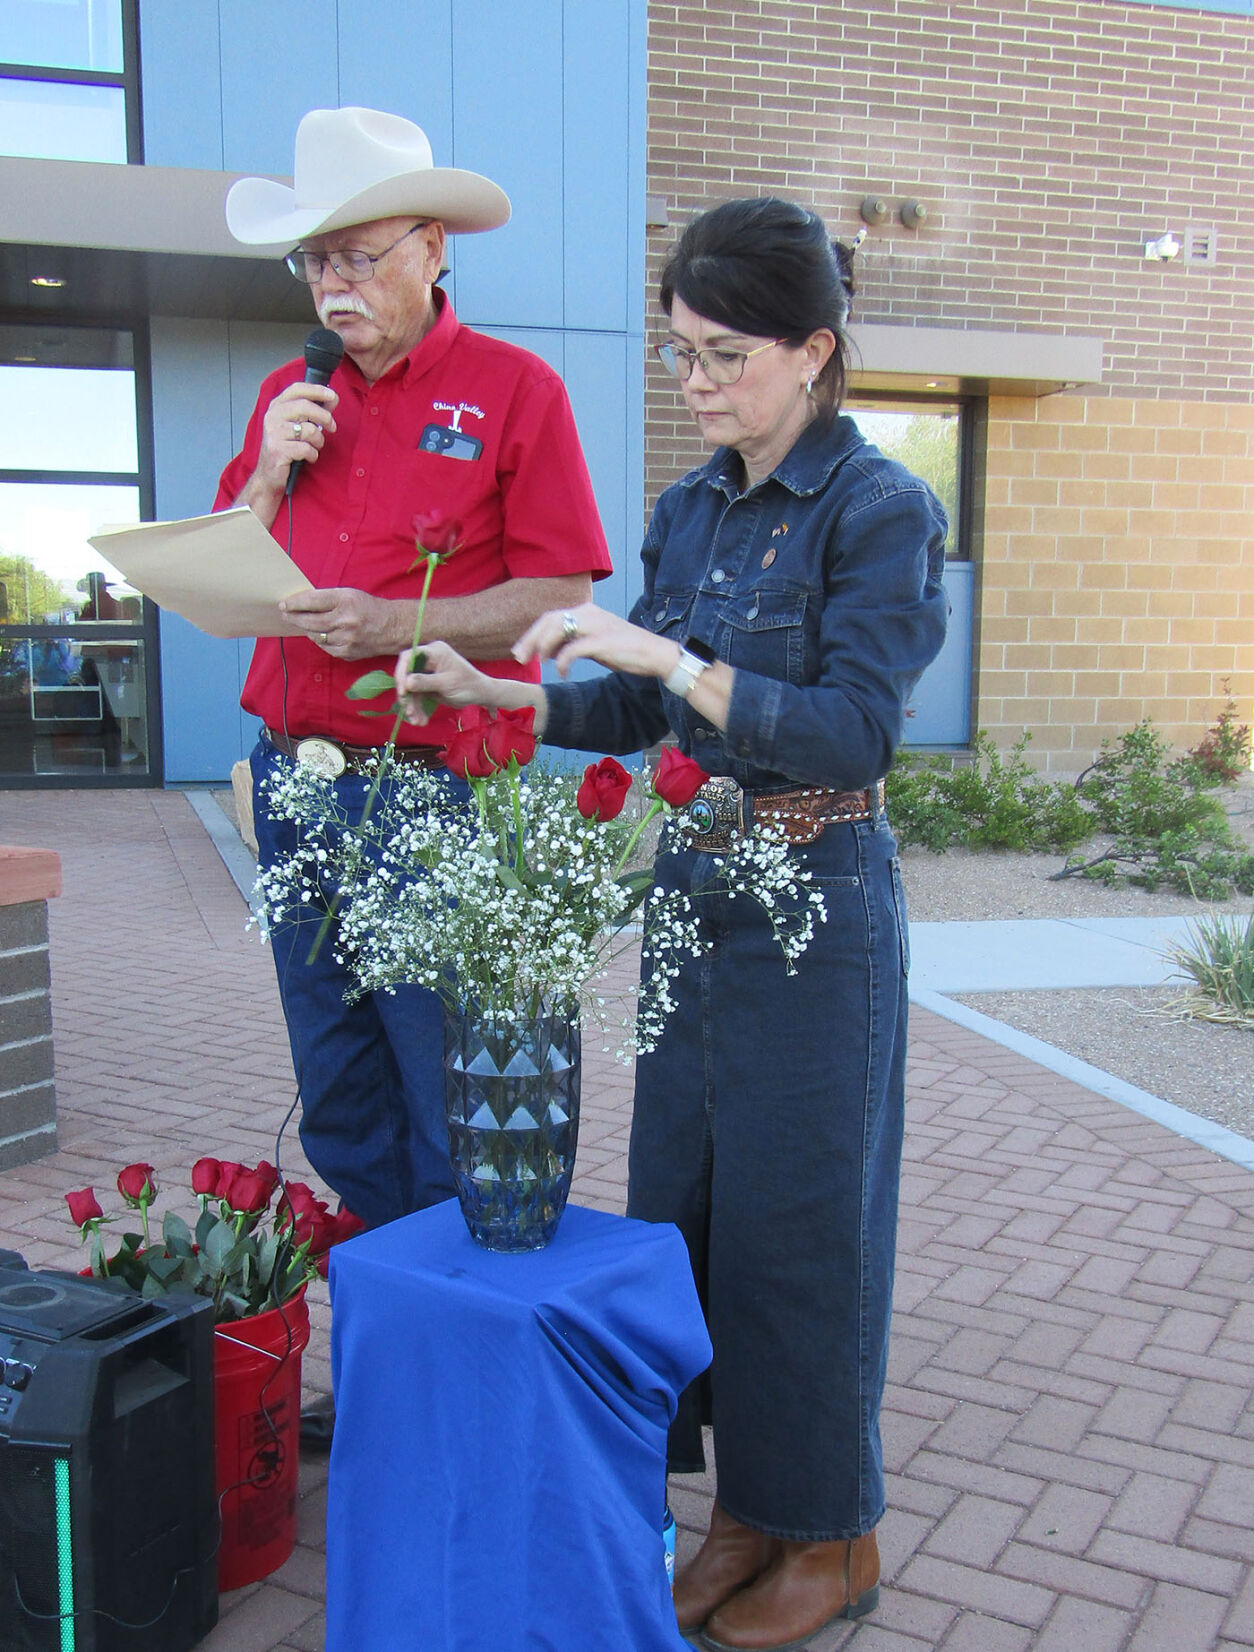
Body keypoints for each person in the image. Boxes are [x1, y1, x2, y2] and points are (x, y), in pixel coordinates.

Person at [394, 196, 948, 1650]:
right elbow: (642, 699)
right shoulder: (692, 508)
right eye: (676, 355)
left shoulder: (879, 511)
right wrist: (517, 699)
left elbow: (848, 736)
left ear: (812, 351)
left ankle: (836, 1534)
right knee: (687, 1217)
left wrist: (664, 655)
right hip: (698, 895)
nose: (694, 384)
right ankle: (742, 1519)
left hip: (818, 907)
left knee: (803, 1231)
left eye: (721, 355)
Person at [214, 106, 612, 1243]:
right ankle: (397, 1333)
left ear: (434, 247)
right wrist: (263, 486)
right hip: (292, 784)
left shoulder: (513, 390)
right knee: (337, 1093)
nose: (333, 284)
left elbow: (562, 592)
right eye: (315, 259)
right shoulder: (291, 398)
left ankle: (459, 1351)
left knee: (450, 1099)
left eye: (360, 254)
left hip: (427, 789)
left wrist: (396, 622)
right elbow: (223, 567)